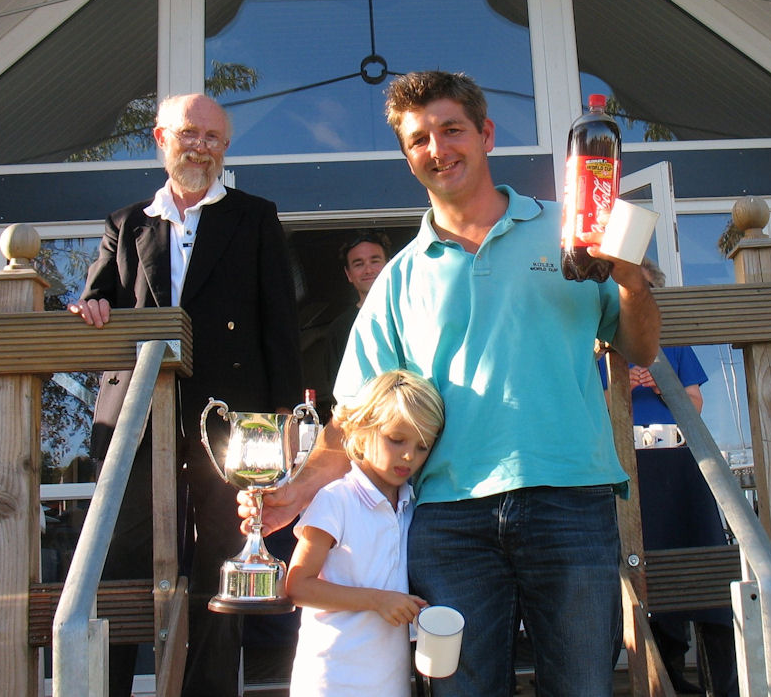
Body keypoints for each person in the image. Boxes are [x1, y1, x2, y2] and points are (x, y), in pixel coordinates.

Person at [240, 70, 660, 696]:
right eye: (419, 140)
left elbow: (641, 346)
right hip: (447, 519)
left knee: (582, 687)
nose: (437, 149)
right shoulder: (398, 278)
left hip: (571, 498)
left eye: (451, 130)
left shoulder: (572, 230)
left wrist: (630, 281)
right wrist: (295, 492)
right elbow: (352, 417)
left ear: (486, 135)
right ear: (407, 156)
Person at [69, 93, 302, 697]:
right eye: (190, 134)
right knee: (122, 556)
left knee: (224, 558)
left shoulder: (255, 216)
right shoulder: (126, 224)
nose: (201, 147)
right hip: (137, 420)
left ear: (225, 148)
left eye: (213, 138)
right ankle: (110, 687)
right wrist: (89, 308)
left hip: (233, 421)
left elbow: (279, 320)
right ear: (161, 138)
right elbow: (96, 300)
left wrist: (282, 420)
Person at [598, 258, 738, 696]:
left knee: (702, 556)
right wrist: (622, 384)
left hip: (676, 461)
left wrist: (662, 384)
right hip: (627, 463)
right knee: (647, 569)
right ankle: (669, 679)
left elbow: (694, 402)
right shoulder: (597, 346)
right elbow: (589, 407)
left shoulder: (672, 342)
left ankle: (723, 682)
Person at [286, 369, 443, 696]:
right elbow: (297, 585)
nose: (408, 456)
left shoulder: (412, 506)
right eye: (396, 439)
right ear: (363, 430)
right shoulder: (335, 499)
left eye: (422, 446)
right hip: (331, 680)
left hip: (389, 682)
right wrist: (377, 600)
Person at [321, 230, 391, 414]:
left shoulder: (410, 313)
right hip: (360, 420)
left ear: (389, 265)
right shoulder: (339, 329)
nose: (368, 270)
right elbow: (337, 391)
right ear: (348, 274)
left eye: (375, 261)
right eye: (359, 264)